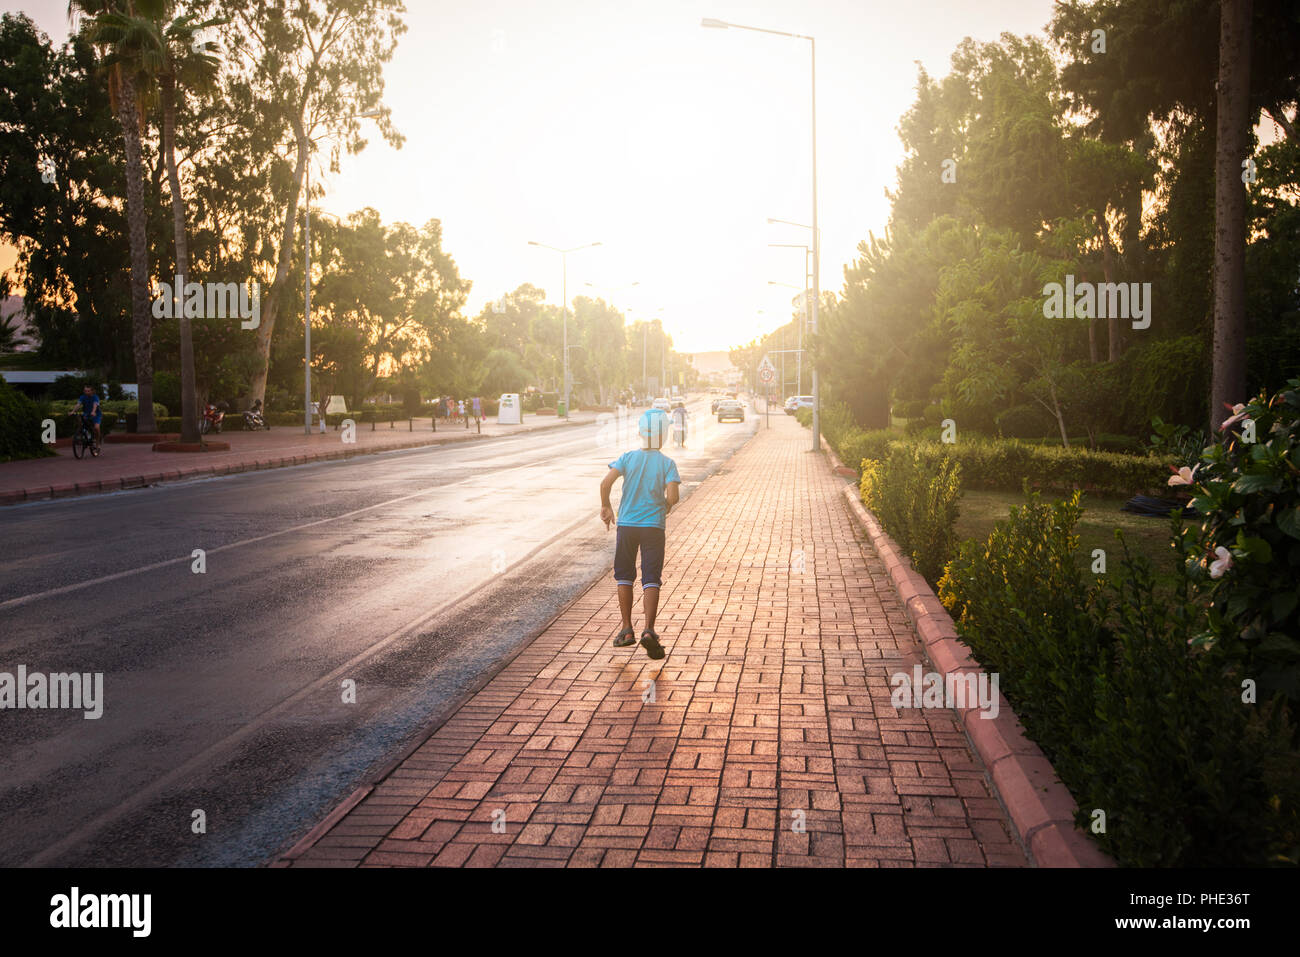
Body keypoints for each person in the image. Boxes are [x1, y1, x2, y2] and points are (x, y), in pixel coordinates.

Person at [599, 408, 681, 659]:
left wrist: (606, 506)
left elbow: (605, 483)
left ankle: (626, 629)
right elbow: (673, 496)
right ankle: (649, 630)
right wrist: (664, 506)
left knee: (624, 574)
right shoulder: (667, 463)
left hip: (627, 526)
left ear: (640, 432)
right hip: (653, 527)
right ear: (664, 435)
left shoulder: (627, 457)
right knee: (651, 577)